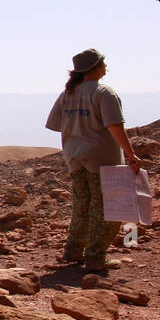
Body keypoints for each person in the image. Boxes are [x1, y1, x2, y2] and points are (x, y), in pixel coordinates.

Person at [44, 48, 145, 272]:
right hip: (102, 158)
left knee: (82, 204)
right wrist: (131, 154)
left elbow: (55, 125)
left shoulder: (67, 94)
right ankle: (96, 257)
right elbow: (115, 126)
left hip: (74, 157)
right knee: (109, 208)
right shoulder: (103, 93)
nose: (105, 66)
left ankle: (73, 250)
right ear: (94, 67)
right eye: (103, 63)